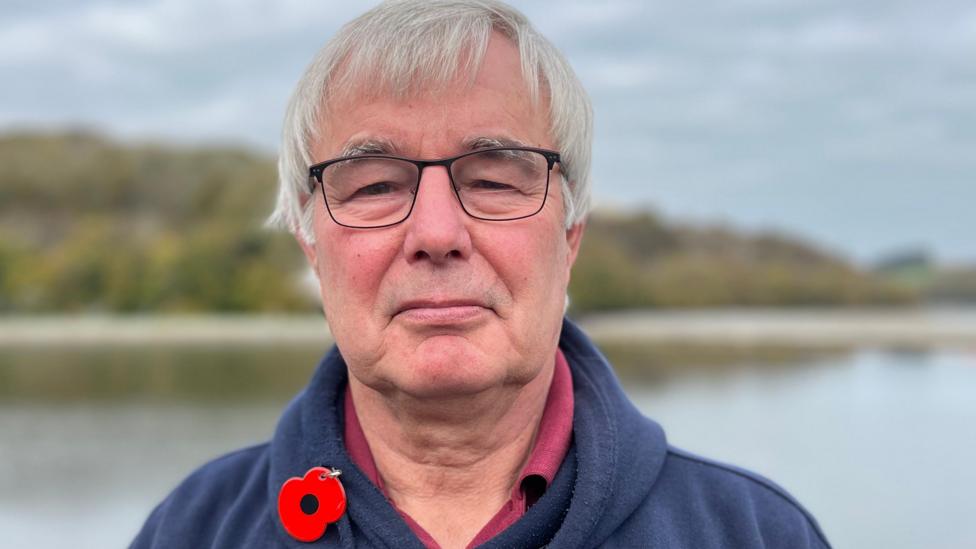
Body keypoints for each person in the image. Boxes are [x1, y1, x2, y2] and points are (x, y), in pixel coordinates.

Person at [131, 1, 831, 547]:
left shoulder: (753, 533)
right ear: (311, 245)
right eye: (374, 186)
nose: (437, 234)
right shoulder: (192, 531)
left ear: (570, 237)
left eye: (494, 179)